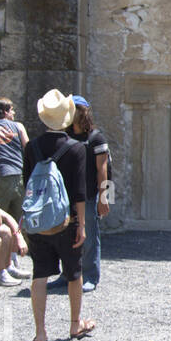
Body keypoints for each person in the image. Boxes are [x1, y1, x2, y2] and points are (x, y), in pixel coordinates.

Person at [24, 89, 93, 341]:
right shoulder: (75, 148)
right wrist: (82, 225)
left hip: (39, 220)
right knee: (74, 274)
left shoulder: (32, 147)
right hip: (66, 220)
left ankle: (40, 332)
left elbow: (27, 184)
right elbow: (79, 192)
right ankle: (75, 324)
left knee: (39, 274)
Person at [50, 96, 109, 293]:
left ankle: (90, 276)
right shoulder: (64, 136)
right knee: (66, 237)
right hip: (66, 196)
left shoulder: (96, 138)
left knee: (90, 237)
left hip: (90, 196)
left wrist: (105, 198)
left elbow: (103, 170)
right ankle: (67, 275)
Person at [0, 96, 30, 279]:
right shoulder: (18, 127)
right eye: (12, 110)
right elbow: (28, 149)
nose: (14, 113)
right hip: (17, 176)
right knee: (16, 220)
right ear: (6, 111)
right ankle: (11, 261)